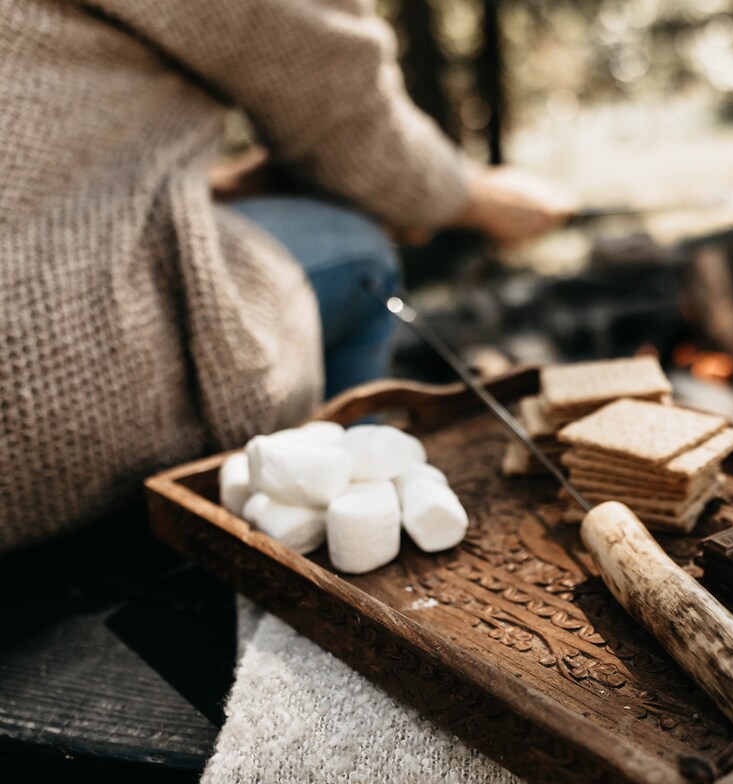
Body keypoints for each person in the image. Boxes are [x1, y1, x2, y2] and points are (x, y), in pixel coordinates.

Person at [0, 0, 572, 553]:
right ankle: (342, 515)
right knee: (357, 246)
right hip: (43, 385)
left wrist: (226, 185)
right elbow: (351, 128)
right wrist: (481, 201)